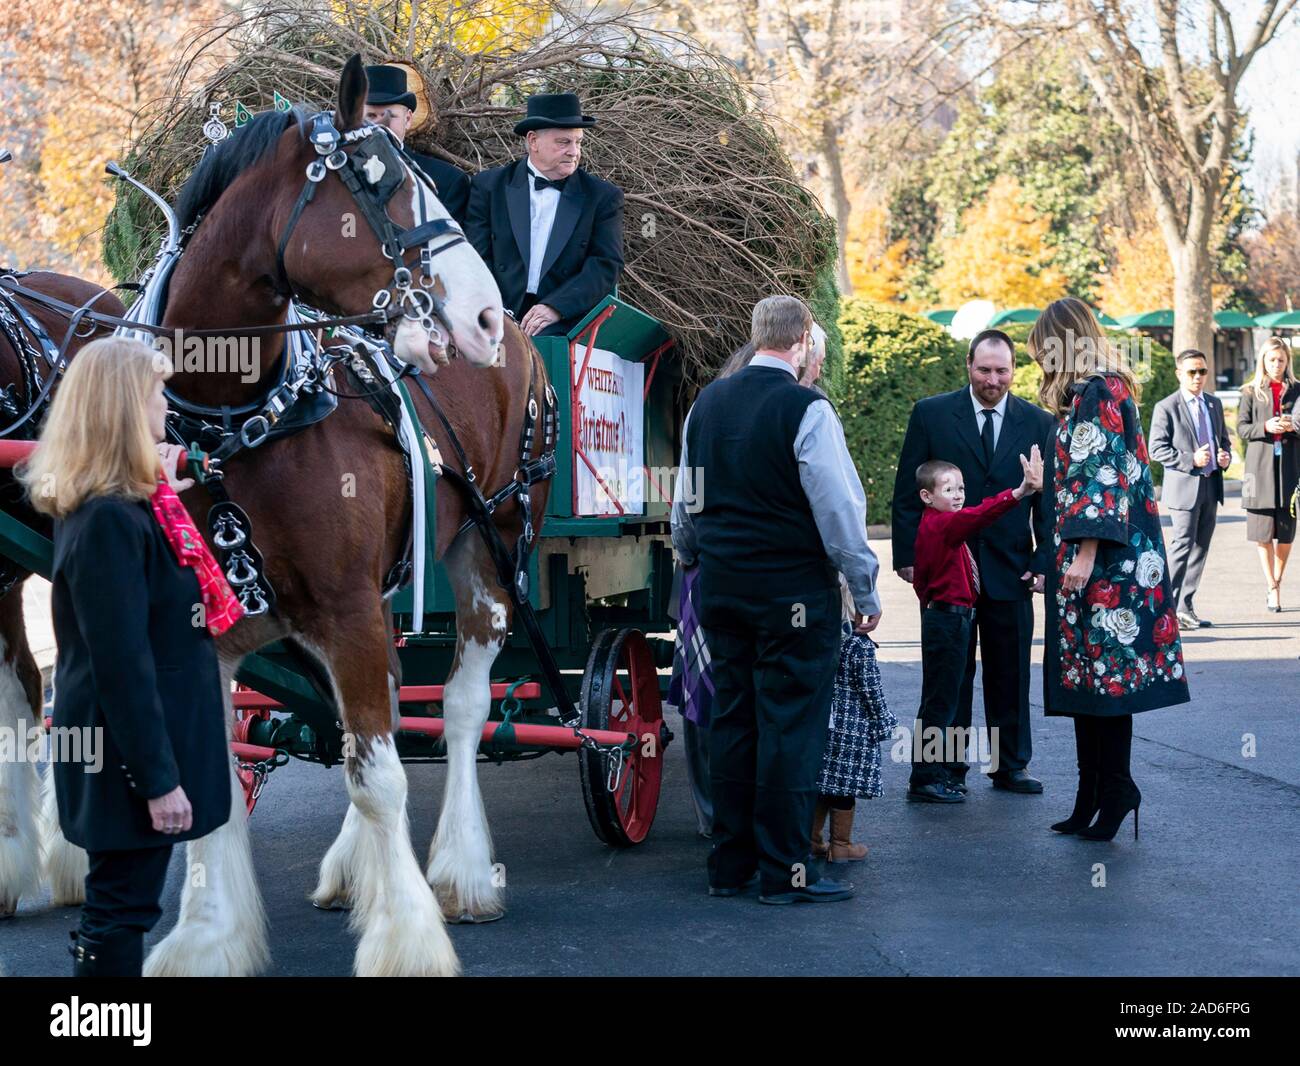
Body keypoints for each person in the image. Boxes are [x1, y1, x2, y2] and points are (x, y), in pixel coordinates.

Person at [19, 337, 243, 976]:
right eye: (155, 394)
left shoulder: (126, 506)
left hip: (134, 752)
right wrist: (158, 781)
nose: (166, 408)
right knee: (120, 913)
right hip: (130, 760)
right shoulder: (110, 521)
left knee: (122, 907)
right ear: (122, 409)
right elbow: (122, 666)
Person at [672, 295, 880, 905]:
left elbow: (688, 499)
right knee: (790, 728)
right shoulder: (807, 409)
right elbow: (838, 511)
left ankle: (729, 865)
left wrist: (691, 556)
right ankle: (785, 871)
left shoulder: (706, 404)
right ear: (804, 342)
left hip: (724, 589)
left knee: (734, 722)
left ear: (759, 336)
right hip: (793, 596)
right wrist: (862, 587)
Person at [1029, 297, 1189, 842]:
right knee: (1088, 679)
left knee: (1108, 677)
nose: (1039, 362)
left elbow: (1103, 480)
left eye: (1042, 349)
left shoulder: (1099, 391)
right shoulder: (1093, 393)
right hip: (1097, 557)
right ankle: (1091, 792)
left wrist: (1085, 554)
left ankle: (1115, 788)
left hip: (1106, 564)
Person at [892, 329, 1055, 794]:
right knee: (949, 677)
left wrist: (1044, 559)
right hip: (946, 574)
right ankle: (944, 771)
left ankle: (1010, 766)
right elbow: (907, 493)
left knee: (1011, 673)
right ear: (968, 366)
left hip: (1011, 570)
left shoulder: (1038, 421)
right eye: (984, 370)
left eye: (1002, 370)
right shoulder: (932, 414)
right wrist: (907, 558)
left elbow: (1048, 502)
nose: (993, 379)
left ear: (1013, 371)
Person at [907, 451, 1044, 802]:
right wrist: (1018, 492)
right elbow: (981, 514)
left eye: (960, 488)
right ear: (927, 496)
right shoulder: (944, 524)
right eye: (948, 489)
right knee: (941, 703)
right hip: (949, 621)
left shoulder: (935, 524)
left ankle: (935, 774)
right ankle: (925, 779)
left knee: (944, 699)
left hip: (944, 617)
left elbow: (921, 580)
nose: (957, 494)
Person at [465, 92, 624, 337]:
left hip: (564, 317)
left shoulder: (602, 196)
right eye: (564, 142)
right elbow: (475, 256)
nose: (574, 152)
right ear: (533, 141)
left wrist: (555, 307)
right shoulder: (489, 186)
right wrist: (495, 309)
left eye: (578, 142)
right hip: (495, 307)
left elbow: (605, 265)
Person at [811, 579, 898, 858]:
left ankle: (810, 839)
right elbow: (872, 692)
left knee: (823, 784)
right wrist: (884, 722)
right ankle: (841, 845)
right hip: (853, 731)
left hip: (824, 726)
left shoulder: (820, 639)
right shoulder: (859, 646)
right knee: (844, 790)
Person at [1148, 349, 1233, 628]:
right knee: (1182, 545)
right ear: (1179, 374)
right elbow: (1156, 449)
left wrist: (1225, 457)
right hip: (1184, 487)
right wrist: (1190, 460)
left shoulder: (1214, 404)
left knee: (1201, 547)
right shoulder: (1167, 406)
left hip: (1211, 485)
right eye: (1192, 372)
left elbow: (1224, 441)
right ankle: (1165, 609)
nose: (1198, 377)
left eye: (1202, 371)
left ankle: (1185, 607)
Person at [1236, 337, 1300, 612]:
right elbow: (1241, 428)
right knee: (1262, 533)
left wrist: (1290, 427)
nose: (1276, 365)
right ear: (1263, 361)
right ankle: (1272, 587)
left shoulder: (1297, 390)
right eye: (1271, 360)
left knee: (1285, 534)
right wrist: (1266, 425)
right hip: (1258, 470)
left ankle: (1278, 579)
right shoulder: (1250, 391)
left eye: (1281, 360)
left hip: (1289, 469)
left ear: (1288, 362)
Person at [362, 65, 470, 226]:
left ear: (407, 119)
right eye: (371, 116)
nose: (379, 125)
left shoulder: (447, 181)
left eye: (390, 116)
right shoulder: (333, 175)